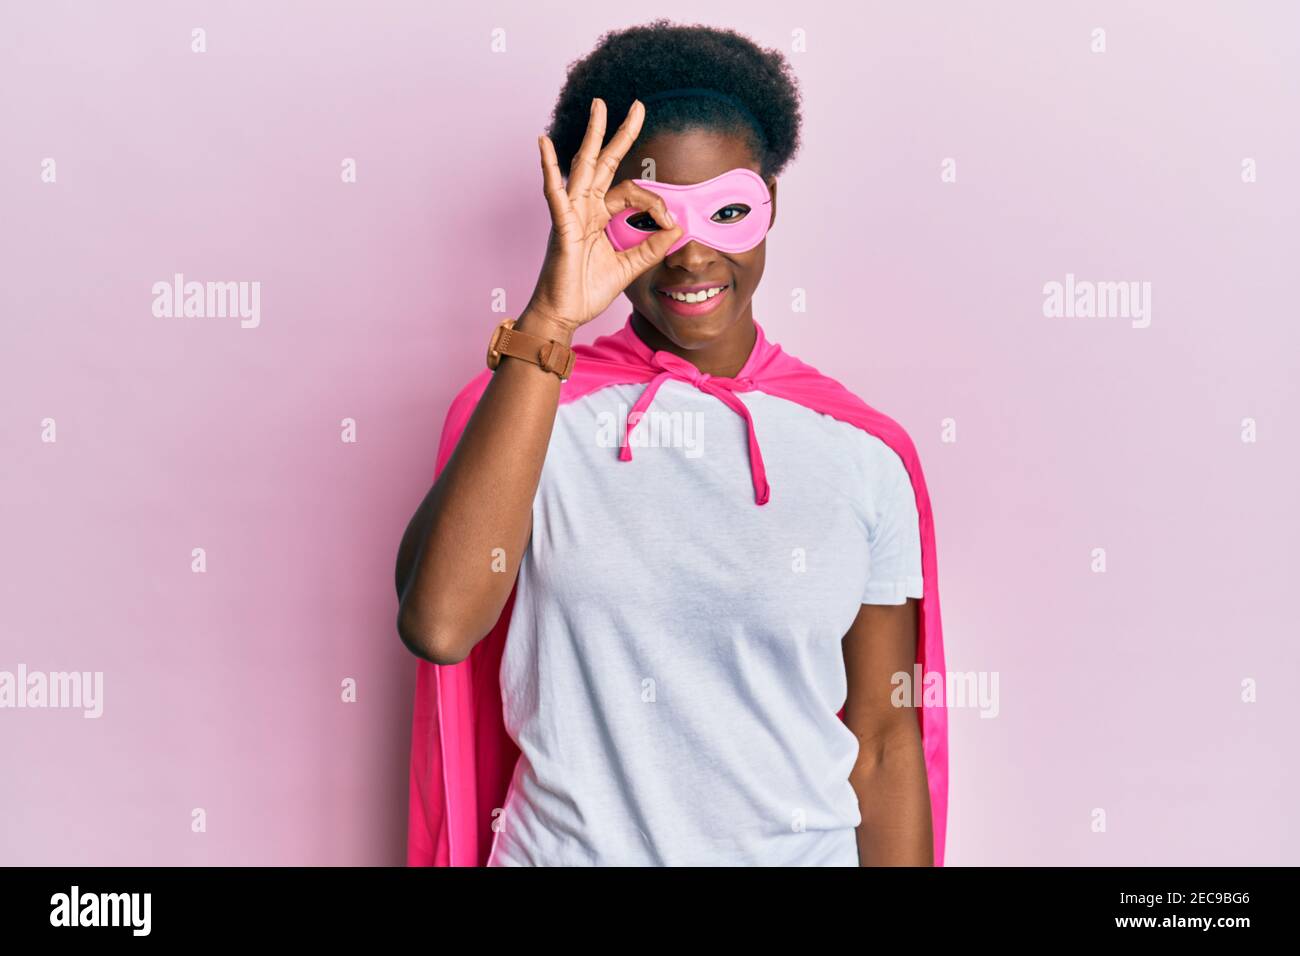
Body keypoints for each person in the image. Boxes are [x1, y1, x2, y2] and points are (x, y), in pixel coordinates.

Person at [395, 19, 947, 866]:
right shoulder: (527, 407)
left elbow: (882, 740)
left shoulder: (862, 451)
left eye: (727, 211)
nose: (690, 257)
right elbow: (438, 626)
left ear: (770, 207)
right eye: (647, 219)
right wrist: (550, 318)